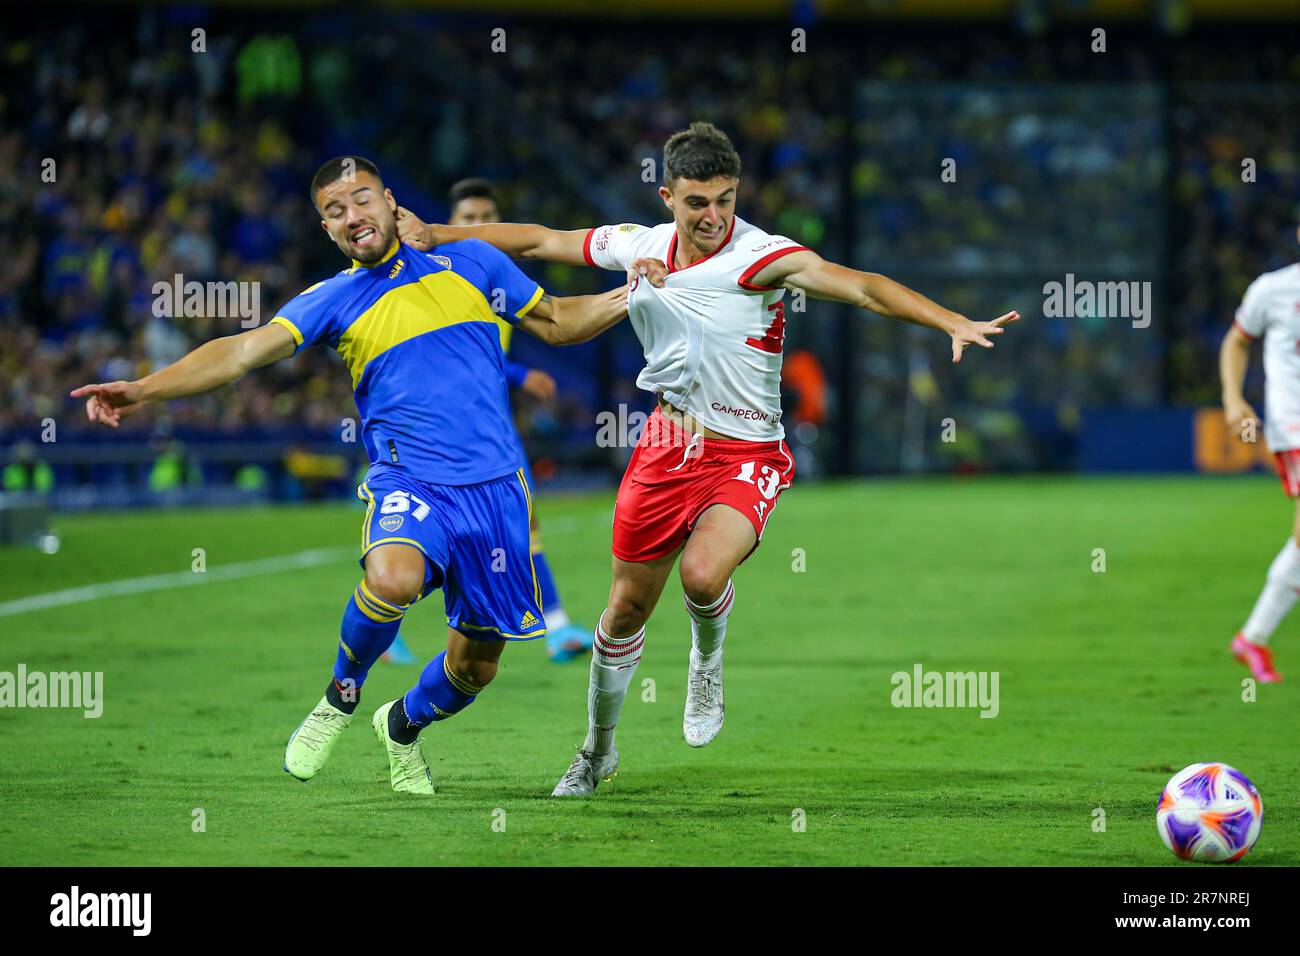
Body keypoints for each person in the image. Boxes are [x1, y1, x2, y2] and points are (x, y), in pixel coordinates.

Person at [398, 122, 1017, 796]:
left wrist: (950, 320)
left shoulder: (762, 257)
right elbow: (542, 239)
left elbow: (863, 286)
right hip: (665, 445)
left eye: (725, 198)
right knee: (624, 611)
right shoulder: (638, 247)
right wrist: (437, 235)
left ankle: (707, 660)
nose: (715, 215)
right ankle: (597, 752)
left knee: (701, 574)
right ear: (668, 196)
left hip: (746, 451)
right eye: (699, 202)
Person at [71, 156, 629, 794]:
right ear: (327, 231)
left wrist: (634, 291)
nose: (351, 217)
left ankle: (401, 727)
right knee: (391, 578)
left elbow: (559, 320)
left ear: (391, 201)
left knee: (475, 668)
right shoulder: (333, 299)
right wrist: (142, 389)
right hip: (411, 480)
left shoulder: (474, 262)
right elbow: (241, 351)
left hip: (496, 489)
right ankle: (340, 695)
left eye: (360, 200)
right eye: (333, 212)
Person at [383, 177, 593, 667]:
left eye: (488, 220)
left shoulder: (490, 273)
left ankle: (556, 626)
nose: (480, 228)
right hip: (430, 428)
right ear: (445, 227)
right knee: (425, 532)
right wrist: (521, 374)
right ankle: (387, 624)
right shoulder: (429, 277)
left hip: (487, 423)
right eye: (470, 220)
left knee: (519, 519)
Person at [1219, 216, 1300, 683]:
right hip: (1294, 428)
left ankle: (1253, 637)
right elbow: (1236, 340)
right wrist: (1233, 398)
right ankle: (1253, 637)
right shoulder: (1272, 290)